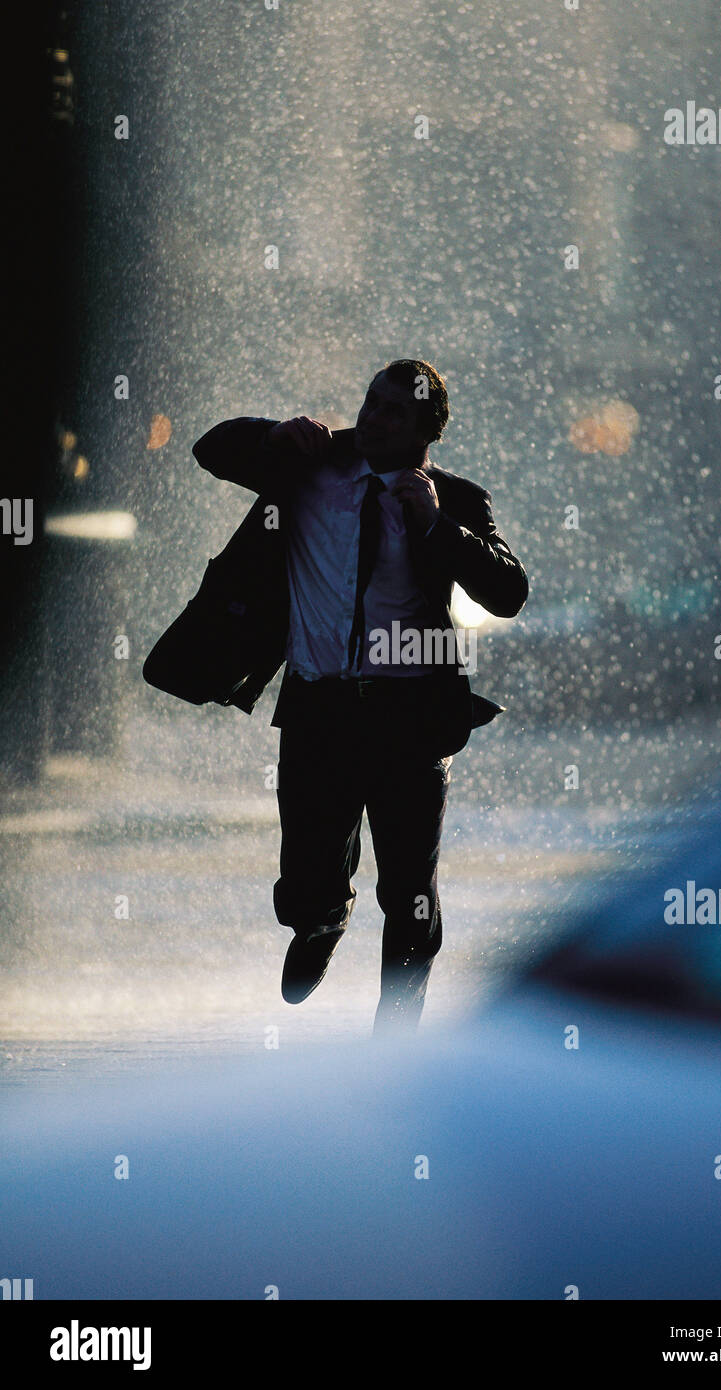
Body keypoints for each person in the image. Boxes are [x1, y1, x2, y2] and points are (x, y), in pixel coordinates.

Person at [192, 359, 528, 1032]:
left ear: (426, 431)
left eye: (391, 414)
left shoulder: (454, 496)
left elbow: (508, 592)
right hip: (320, 709)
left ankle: (397, 1036)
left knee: (409, 895)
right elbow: (210, 448)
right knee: (306, 879)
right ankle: (320, 921)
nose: (371, 420)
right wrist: (271, 436)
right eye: (370, 404)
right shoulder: (311, 462)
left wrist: (437, 527)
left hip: (412, 717)